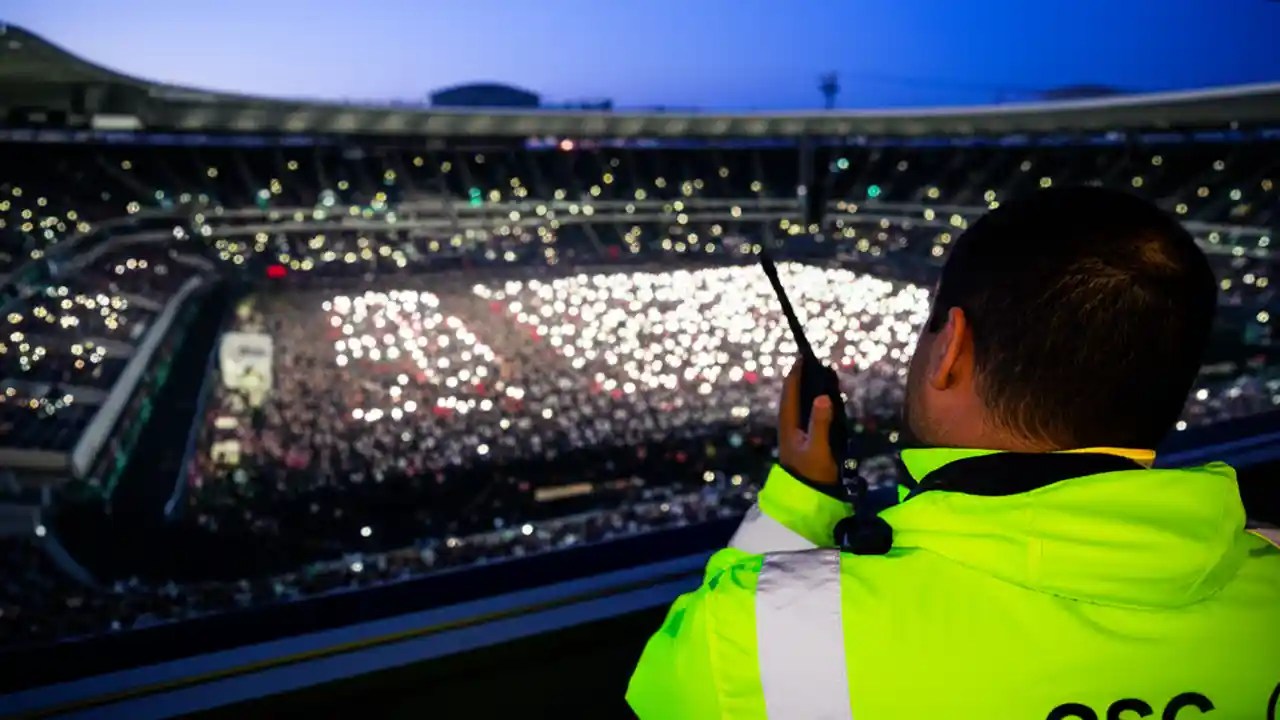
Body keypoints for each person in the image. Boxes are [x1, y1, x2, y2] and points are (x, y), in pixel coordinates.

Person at [626, 187, 1280, 719]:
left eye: (928, 325)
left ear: (950, 348)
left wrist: (796, 500)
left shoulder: (756, 641)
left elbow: (669, 691)